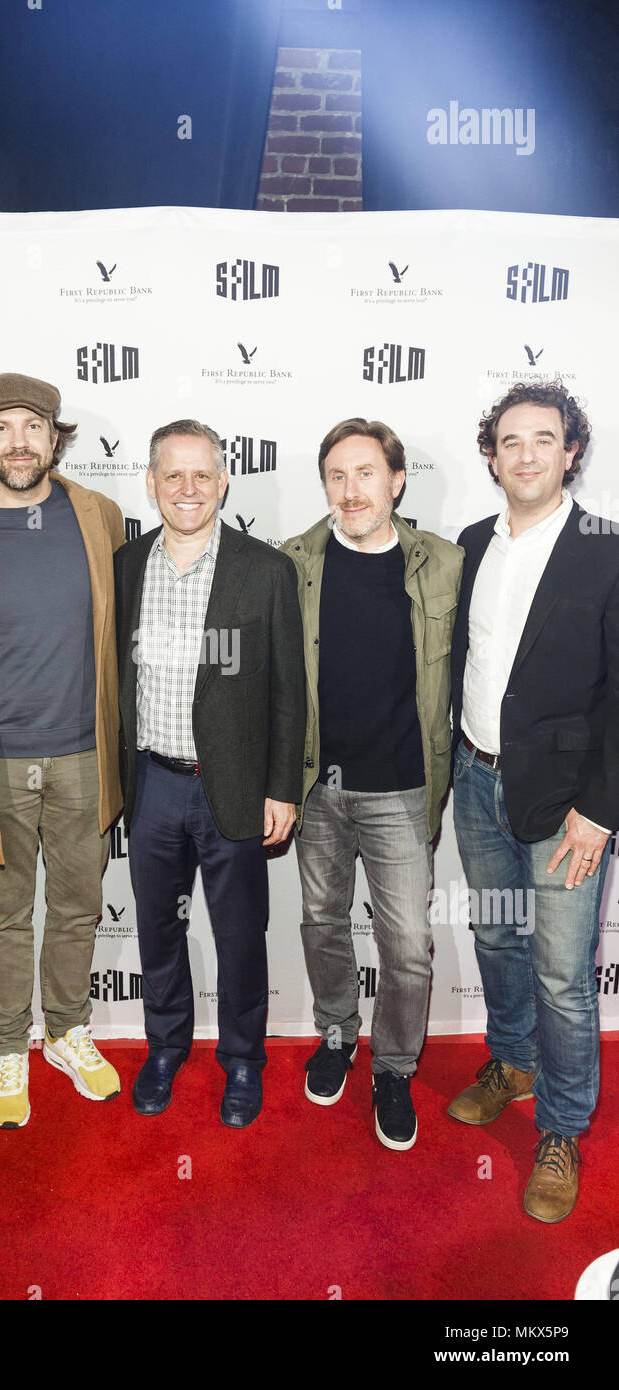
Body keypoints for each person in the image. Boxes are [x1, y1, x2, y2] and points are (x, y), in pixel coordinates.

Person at [0, 373, 124, 1127]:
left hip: (82, 754)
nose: (17, 442)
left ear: (53, 436)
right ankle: (10, 1046)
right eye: (0, 428)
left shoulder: (97, 516)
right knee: (5, 913)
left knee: (76, 907)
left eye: (31, 426)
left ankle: (68, 1032)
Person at [448, 379, 619, 1222]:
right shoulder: (473, 542)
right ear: (491, 454)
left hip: (567, 805)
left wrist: (601, 809)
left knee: (562, 973)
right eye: (510, 441)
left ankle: (561, 1126)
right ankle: (510, 1061)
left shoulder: (608, 548)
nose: (525, 455)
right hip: (475, 780)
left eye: (542, 440)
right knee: (497, 936)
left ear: (571, 450)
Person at [115, 419, 304, 1127]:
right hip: (153, 784)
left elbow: (290, 692)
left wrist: (282, 786)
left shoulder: (265, 569)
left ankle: (243, 1061)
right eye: (173, 475)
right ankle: (164, 1048)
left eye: (202, 475)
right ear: (152, 483)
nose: (188, 488)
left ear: (224, 482)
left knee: (239, 933)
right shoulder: (126, 565)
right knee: (159, 931)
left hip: (235, 786)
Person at [283, 418, 462, 1149]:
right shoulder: (294, 562)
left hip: (403, 790)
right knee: (322, 923)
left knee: (409, 946)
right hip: (318, 789)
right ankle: (335, 1033)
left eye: (365, 473)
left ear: (396, 480)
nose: (351, 491)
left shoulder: (445, 563)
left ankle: (393, 1066)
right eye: (337, 476)